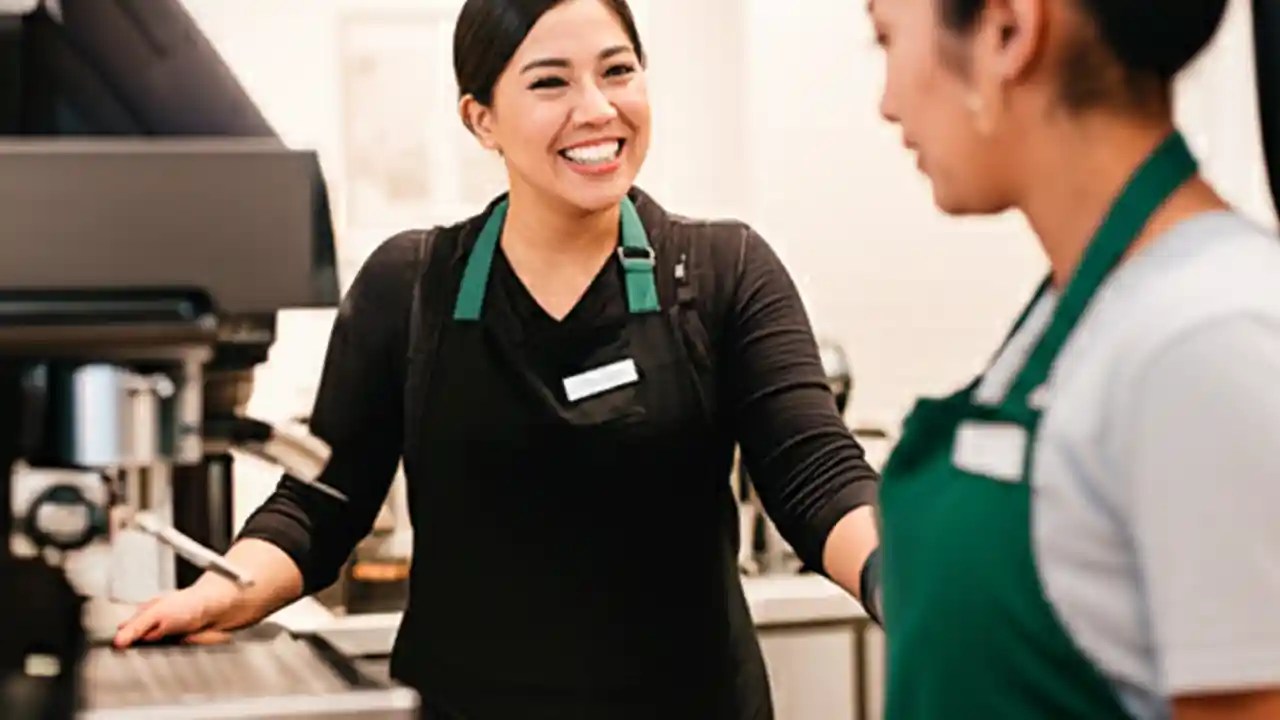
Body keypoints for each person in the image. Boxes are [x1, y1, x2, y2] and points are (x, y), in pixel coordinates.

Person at [115, 0, 883, 717]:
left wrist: (904, 582)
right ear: (481, 119)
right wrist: (223, 590)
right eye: (551, 81)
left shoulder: (720, 270)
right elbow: (322, 504)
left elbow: (815, 476)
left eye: (618, 71)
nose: (597, 108)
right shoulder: (411, 286)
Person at [868, 0, 1280, 718]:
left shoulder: (1205, 339)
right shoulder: (1082, 309)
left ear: (1007, 30)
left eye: (885, 39)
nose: (887, 103)